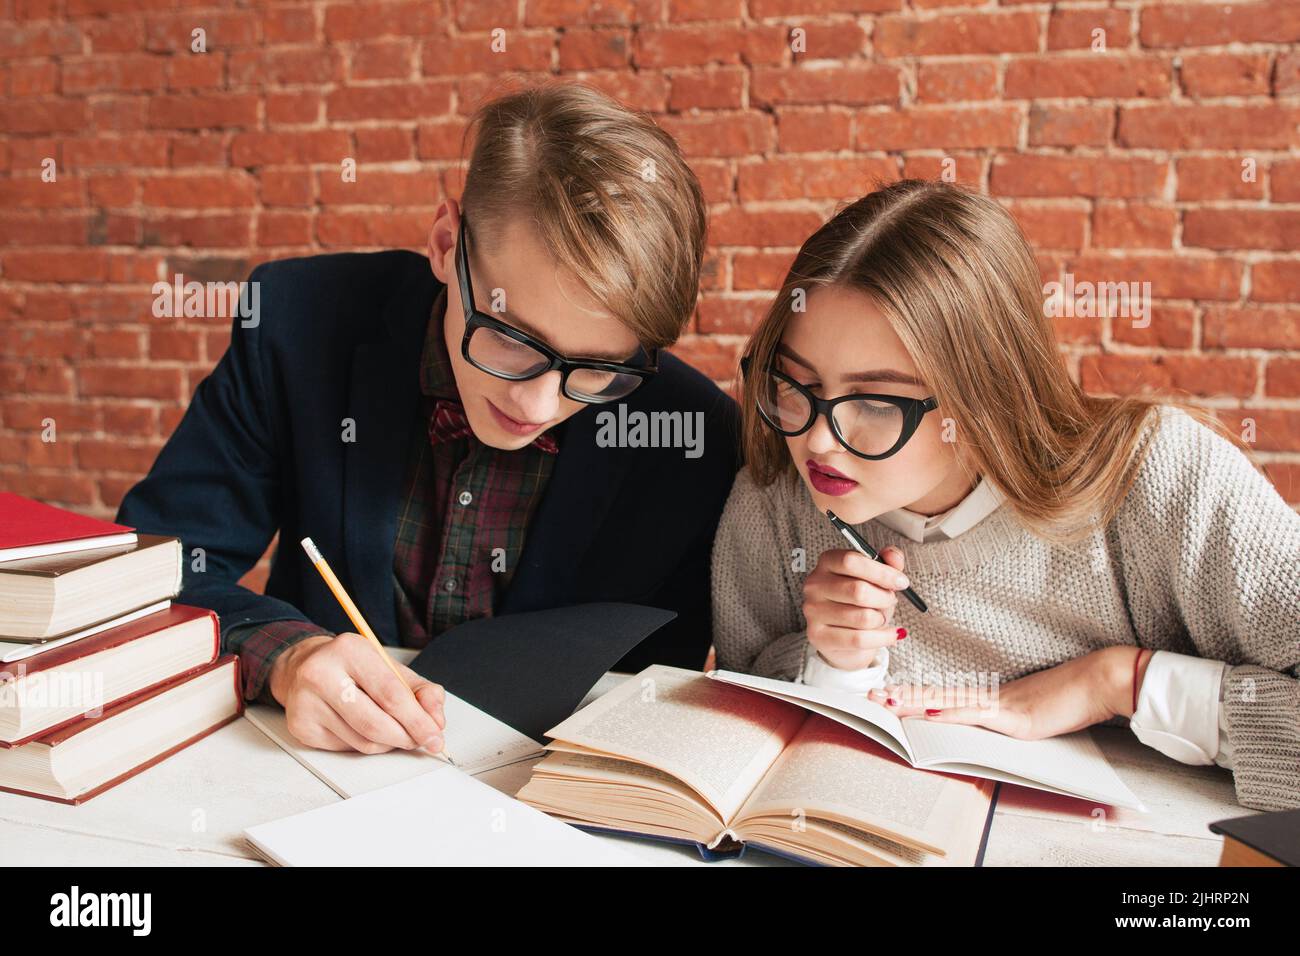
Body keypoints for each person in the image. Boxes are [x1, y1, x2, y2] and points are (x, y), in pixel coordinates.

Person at [119, 83, 740, 756]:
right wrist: (288, 658)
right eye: (510, 338)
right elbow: (149, 571)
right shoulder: (296, 323)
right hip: (307, 771)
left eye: (596, 368)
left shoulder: (695, 434)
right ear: (446, 244)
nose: (536, 406)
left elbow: (658, 687)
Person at [711, 178, 1299, 811]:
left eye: (877, 402)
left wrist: (1115, 682)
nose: (819, 440)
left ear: (985, 397)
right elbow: (751, 764)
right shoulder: (773, 500)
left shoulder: (1159, 476)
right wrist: (835, 663)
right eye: (794, 383)